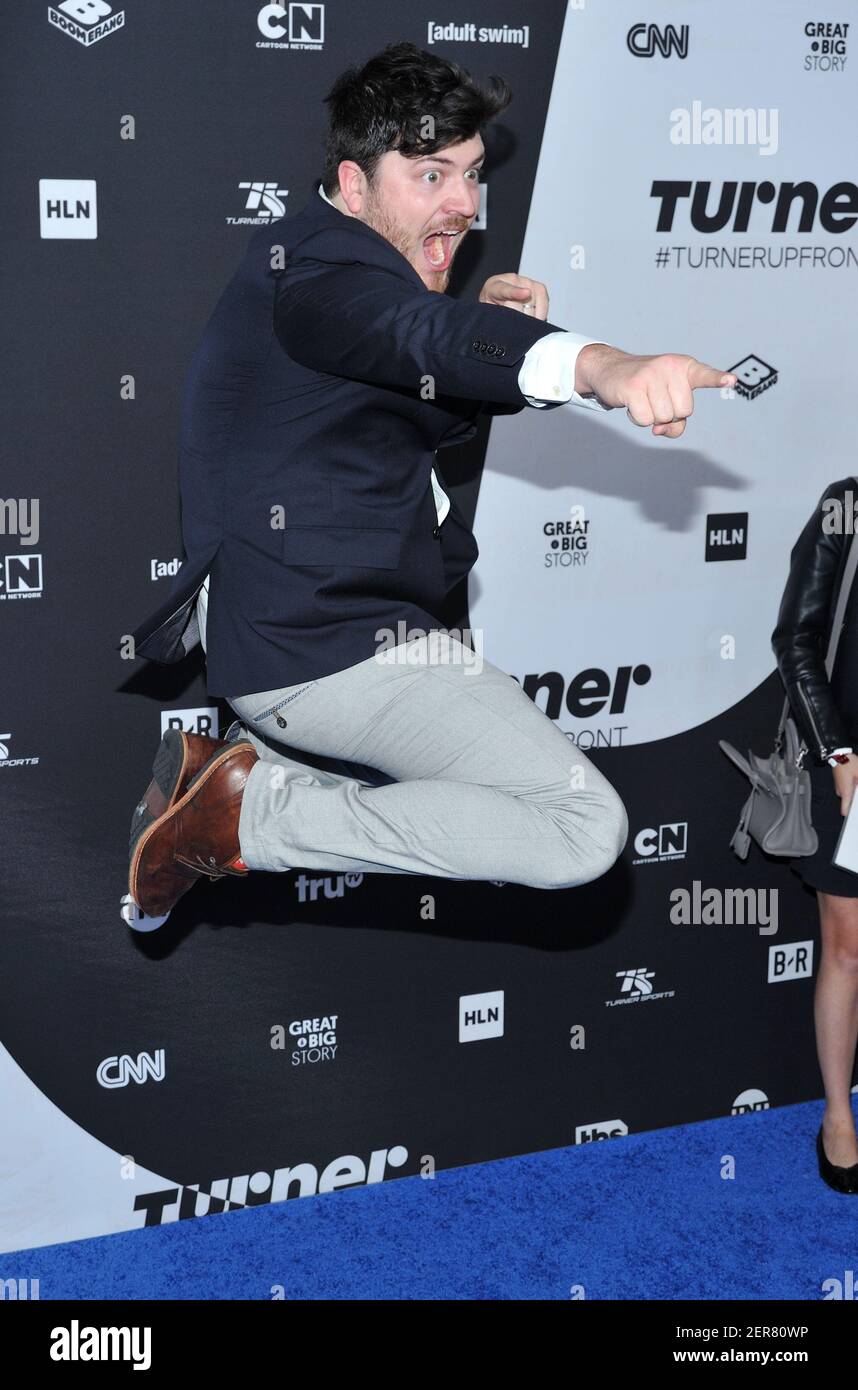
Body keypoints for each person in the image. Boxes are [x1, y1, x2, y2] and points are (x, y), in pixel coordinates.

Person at [127, 41, 736, 922]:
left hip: (346, 633)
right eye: (430, 174)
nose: (463, 204)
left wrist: (484, 349)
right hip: (318, 646)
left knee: (563, 816)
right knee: (582, 825)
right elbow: (422, 339)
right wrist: (598, 364)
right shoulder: (321, 275)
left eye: (472, 174)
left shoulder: (341, 271)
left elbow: (397, 382)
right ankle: (246, 814)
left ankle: (231, 787)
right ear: (354, 182)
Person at [772, 475, 858, 1194]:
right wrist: (836, 749)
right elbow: (797, 640)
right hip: (852, 766)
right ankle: (838, 1117)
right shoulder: (847, 505)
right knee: (848, 947)